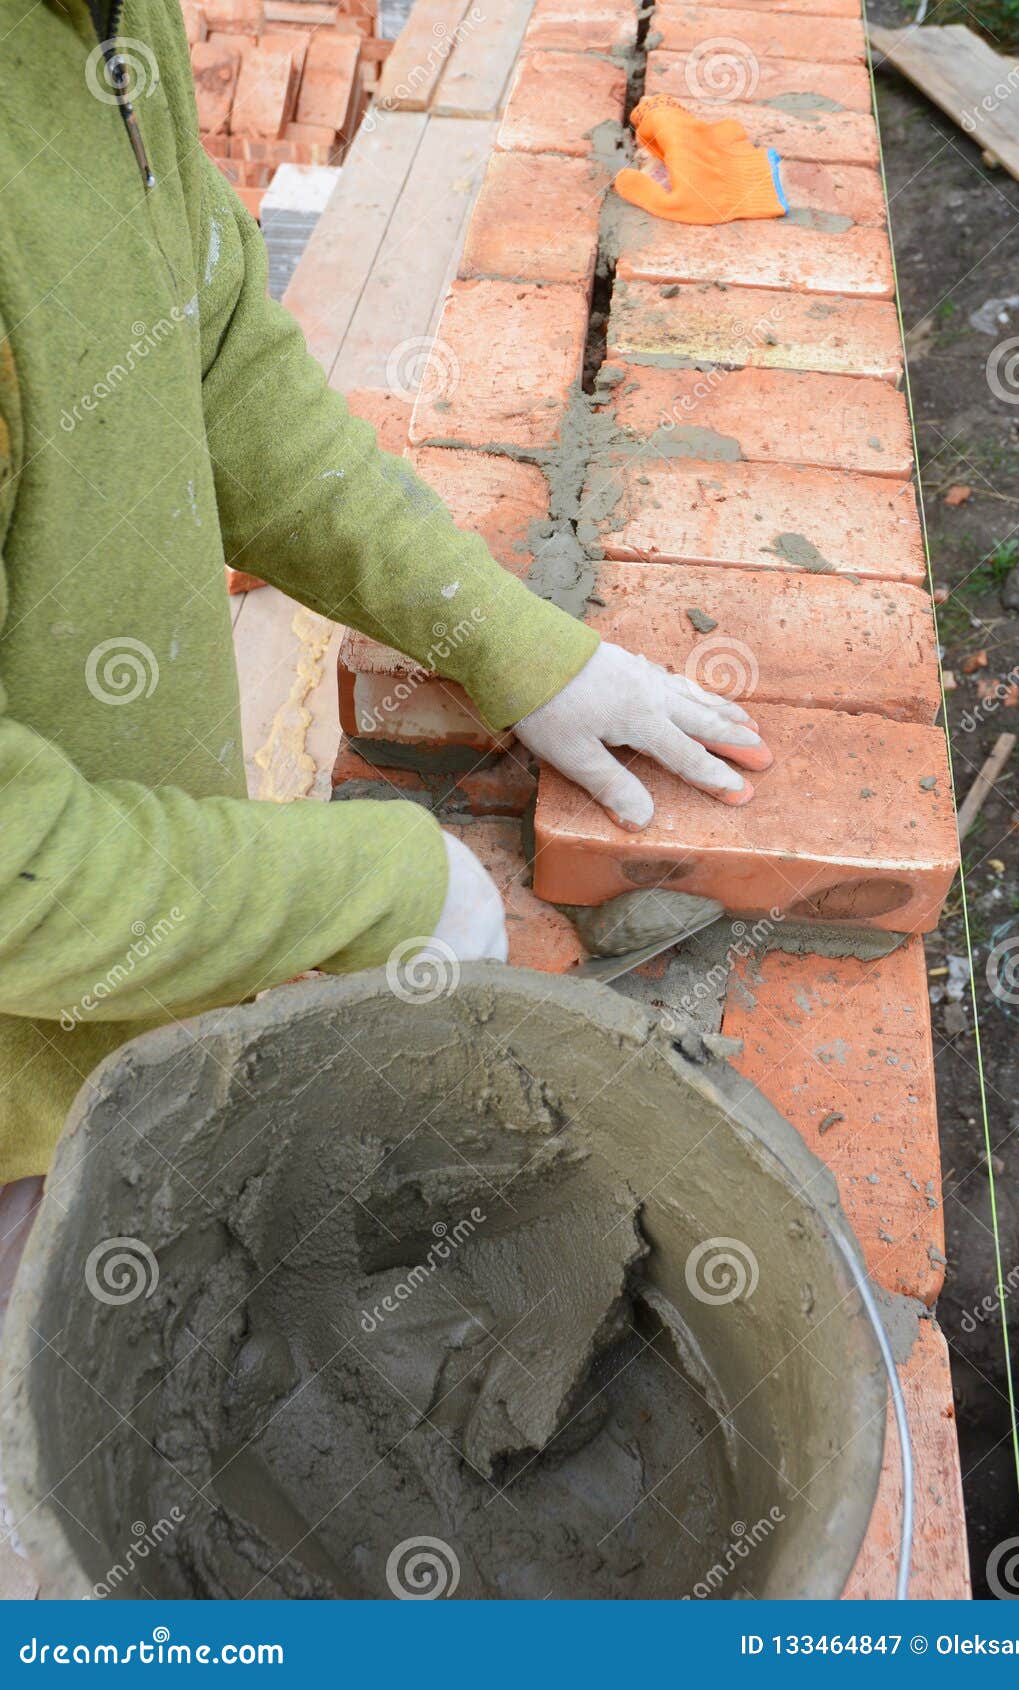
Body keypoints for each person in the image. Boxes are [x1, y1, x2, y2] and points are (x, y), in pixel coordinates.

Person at [0, 0, 770, 1194]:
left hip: (126, 1014)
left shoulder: (100, 22)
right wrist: (380, 885)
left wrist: (515, 644)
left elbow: (220, 374)